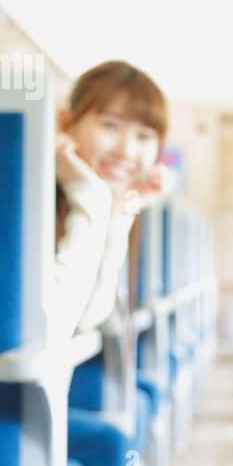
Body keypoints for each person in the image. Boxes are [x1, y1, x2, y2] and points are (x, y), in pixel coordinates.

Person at [52, 60, 173, 342]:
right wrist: (92, 196)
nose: (126, 151)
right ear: (65, 123)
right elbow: (55, 324)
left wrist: (119, 213)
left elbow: (90, 315)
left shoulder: (95, 205)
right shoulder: (23, 199)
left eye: (144, 136)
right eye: (111, 125)